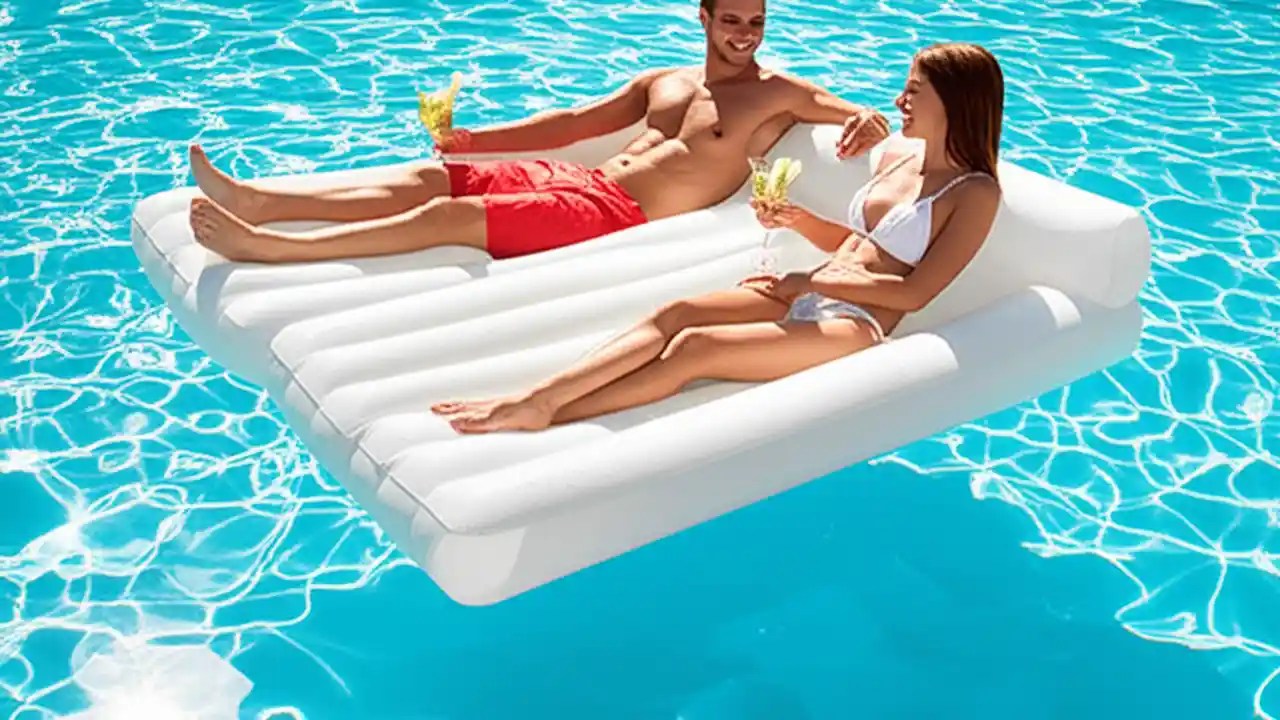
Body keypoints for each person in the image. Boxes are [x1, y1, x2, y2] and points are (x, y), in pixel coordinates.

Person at [431, 42, 1005, 434]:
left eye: (914, 91)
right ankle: (537, 397)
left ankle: (548, 416)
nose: (900, 100)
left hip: (855, 324)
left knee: (695, 348)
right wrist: (799, 221)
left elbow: (913, 293)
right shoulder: (902, 157)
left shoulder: (974, 193)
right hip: (809, 288)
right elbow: (858, 243)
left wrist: (809, 283)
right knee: (675, 313)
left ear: (955, 101)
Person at [186, 0, 891, 264]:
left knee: (450, 215)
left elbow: (855, 111)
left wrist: (863, 120)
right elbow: (574, 124)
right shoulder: (666, 81)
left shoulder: (777, 92)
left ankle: (272, 246)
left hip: (615, 213)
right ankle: (261, 201)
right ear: (702, 18)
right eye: (732, 20)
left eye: (757, 22)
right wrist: (474, 141)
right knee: (433, 177)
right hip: (578, 180)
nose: (746, 35)